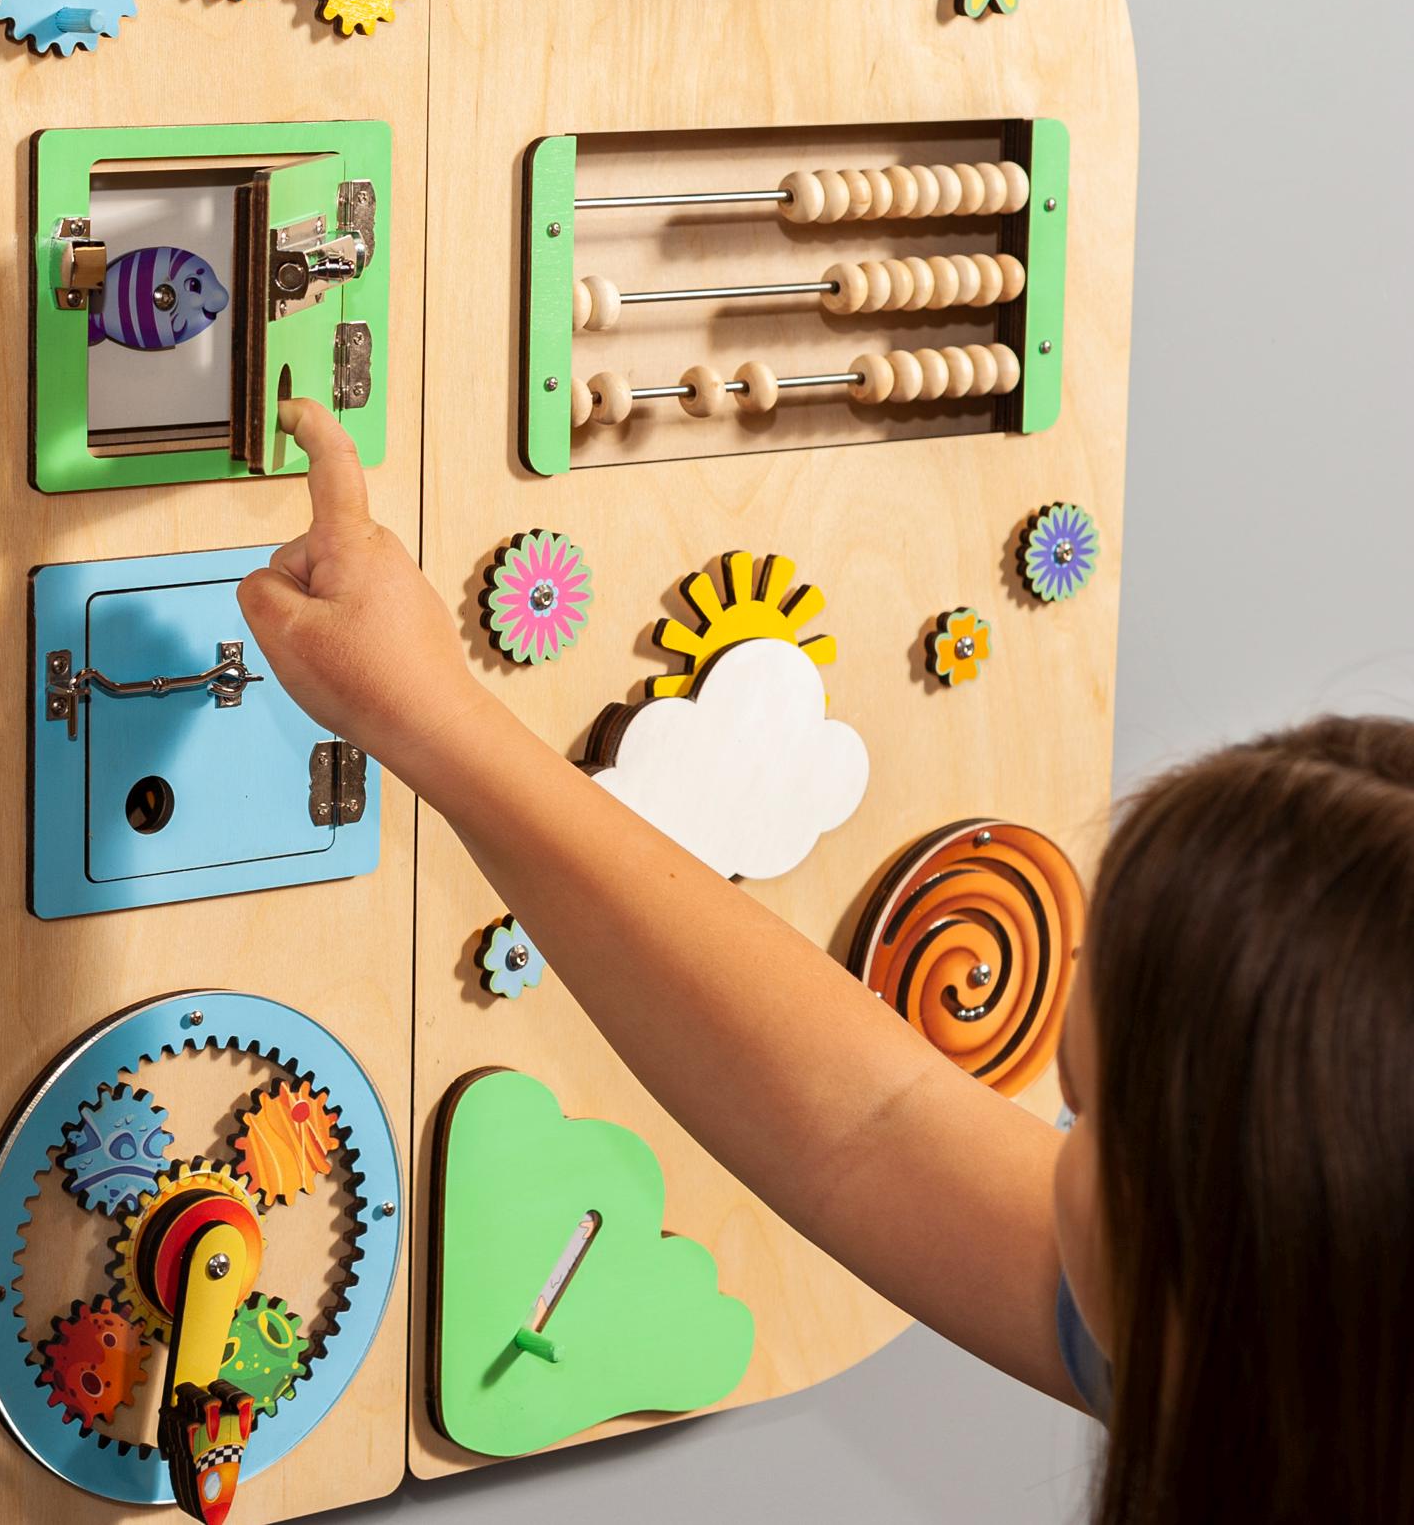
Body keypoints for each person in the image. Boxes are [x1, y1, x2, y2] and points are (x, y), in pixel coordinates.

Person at [235, 401, 1412, 1525]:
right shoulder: (1262, 1351)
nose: (1046, 1150)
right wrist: (429, 715)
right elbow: (869, 1120)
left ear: (1268, 1240)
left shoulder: (1210, 1335)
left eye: (1091, 1118)